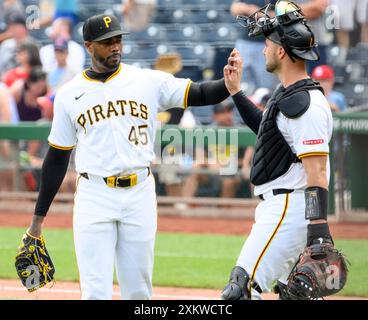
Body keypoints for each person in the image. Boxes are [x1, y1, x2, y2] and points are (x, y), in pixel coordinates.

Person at [20, 13, 235, 299]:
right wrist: (38, 219)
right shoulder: (69, 94)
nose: (115, 46)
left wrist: (228, 83)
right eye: (107, 42)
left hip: (139, 194)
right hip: (94, 195)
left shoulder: (146, 80)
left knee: (138, 293)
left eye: (118, 39)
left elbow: (198, 93)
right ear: (88, 46)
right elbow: (57, 158)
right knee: (95, 293)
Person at [221, 1, 346, 300]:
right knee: (291, 296)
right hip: (281, 206)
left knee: (240, 291)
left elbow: (317, 172)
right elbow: (267, 130)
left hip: (290, 207)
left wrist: (318, 229)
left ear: (281, 51)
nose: (263, 49)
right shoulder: (288, 94)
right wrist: (236, 92)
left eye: (267, 44)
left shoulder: (305, 103)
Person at [230, 0, 278, 91]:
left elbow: (282, 16)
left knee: (265, 89)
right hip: (245, 42)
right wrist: (248, 9)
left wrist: (259, 13)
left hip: (266, 44)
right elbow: (234, 8)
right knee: (241, 86)